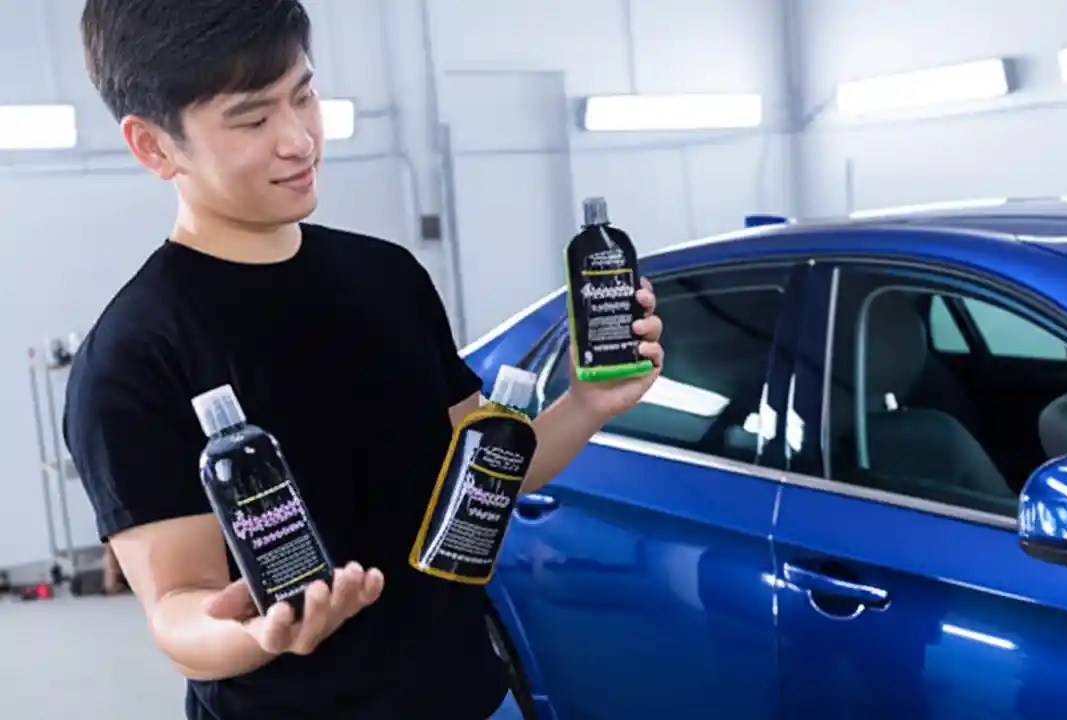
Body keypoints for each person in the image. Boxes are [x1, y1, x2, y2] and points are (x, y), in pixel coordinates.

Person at [64, 2, 665, 718]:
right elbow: (177, 608)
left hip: (472, 699)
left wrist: (590, 403)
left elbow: (477, 474)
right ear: (155, 146)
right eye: (253, 119)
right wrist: (261, 632)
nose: (298, 139)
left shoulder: (389, 277)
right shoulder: (134, 356)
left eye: (304, 95)